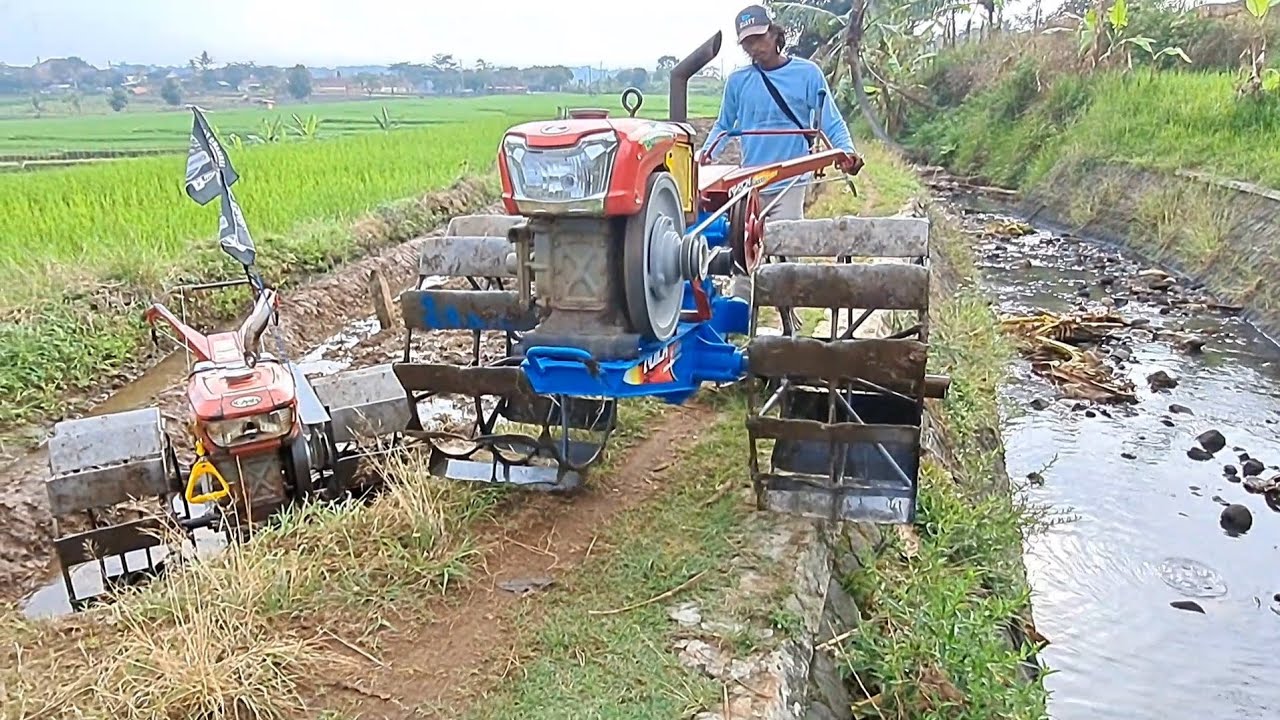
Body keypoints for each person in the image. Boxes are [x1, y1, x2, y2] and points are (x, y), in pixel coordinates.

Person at [699, 4, 863, 308]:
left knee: (786, 250)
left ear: (775, 34)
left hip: (790, 180)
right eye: (747, 42)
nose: (755, 47)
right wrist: (704, 157)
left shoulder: (807, 74)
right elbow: (724, 125)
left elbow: (831, 120)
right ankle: (741, 318)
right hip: (750, 183)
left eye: (759, 38)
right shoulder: (738, 81)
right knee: (743, 254)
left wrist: (846, 151)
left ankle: (788, 319)